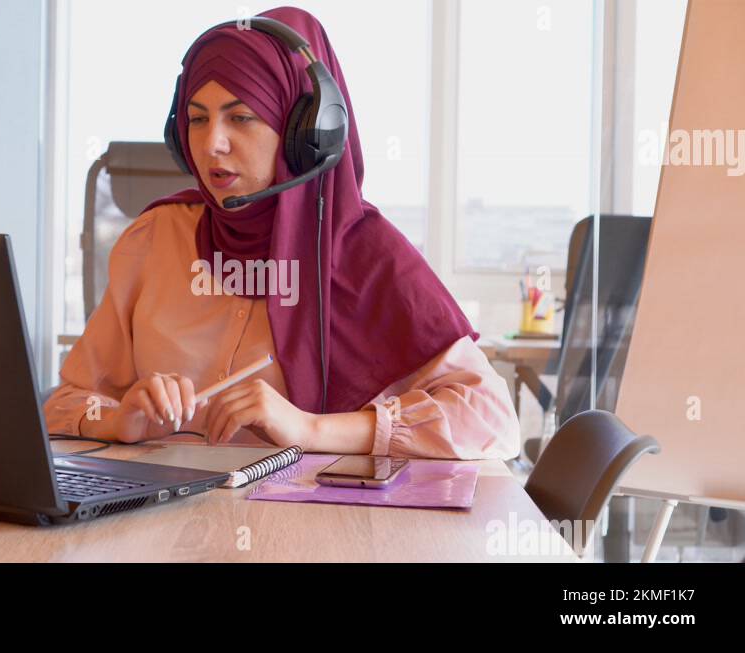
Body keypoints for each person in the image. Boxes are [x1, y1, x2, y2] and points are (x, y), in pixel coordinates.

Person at [44, 6, 520, 460]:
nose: (212, 144)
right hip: (156, 527)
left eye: (241, 117)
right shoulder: (153, 240)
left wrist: (311, 429)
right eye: (196, 119)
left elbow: (492, 419)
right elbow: (65, 403)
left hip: (302, 533)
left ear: (304, 133)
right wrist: (118, 421)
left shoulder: (368, 254)